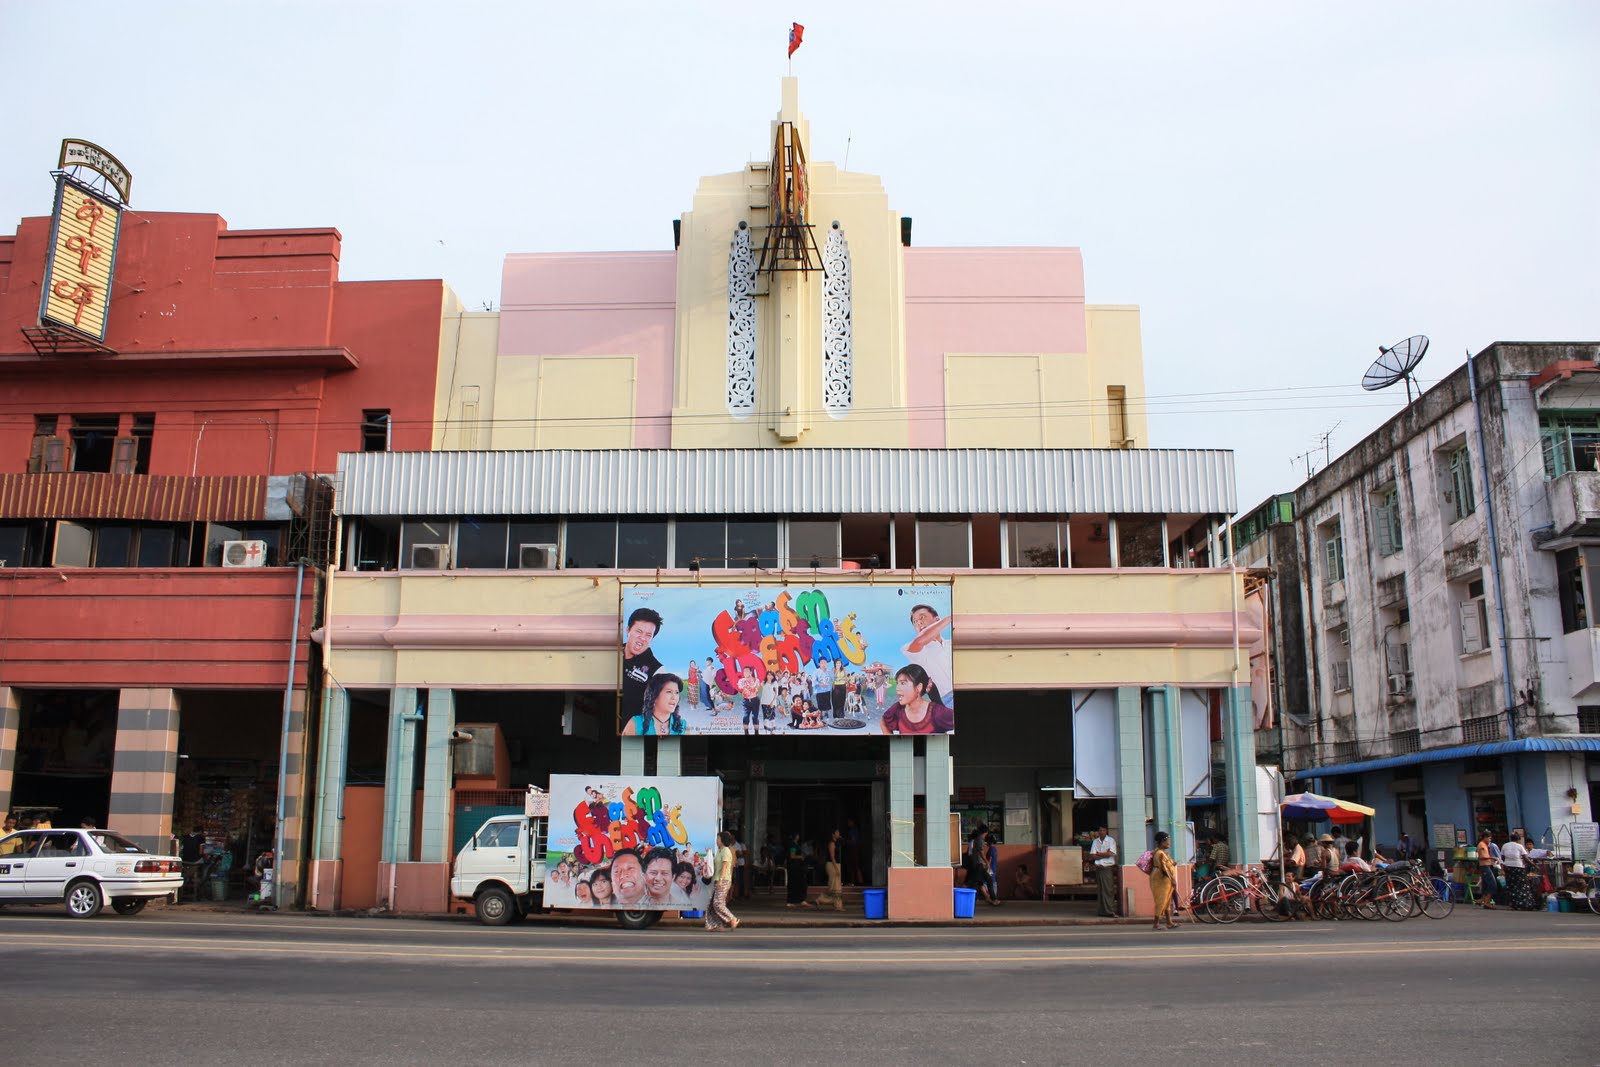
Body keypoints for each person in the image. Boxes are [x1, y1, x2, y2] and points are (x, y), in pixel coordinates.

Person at [901, 604, 954, 707]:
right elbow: (920, 640)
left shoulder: (951, 644)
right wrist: (949, 619)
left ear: (937, 620)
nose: (918, 623)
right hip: (947, 701)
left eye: (922, 617)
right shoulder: (913, 648)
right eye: (915, 622)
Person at [880, 663, 955, 734]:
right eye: (897, 683)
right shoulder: (897, 709)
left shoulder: (937, 712)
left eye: (903, 683)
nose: (897, 688)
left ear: (919, 687)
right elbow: (884, 721)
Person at [620, 607, 664, 718]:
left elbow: (658, 709)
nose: (642, 638)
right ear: (628, 630)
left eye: (648, 635)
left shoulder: (657, 670)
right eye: (638, 631)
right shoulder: (612, 653)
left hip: (634, 727)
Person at [622, 673, 687, 736]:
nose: (674, 697)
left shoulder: (683, 725)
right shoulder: (636, 723)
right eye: (669, 692)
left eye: (677, 692)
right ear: (654, 696)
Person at [704, 830, 739, 931]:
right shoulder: (719, 851)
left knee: (718, 903)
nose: (717, 840)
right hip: (717, 879)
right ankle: (717, 925)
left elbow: (725, 866)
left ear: (723, 840)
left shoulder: (726, 851)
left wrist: (721, 879)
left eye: (718, 839)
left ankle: (732, 918)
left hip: (723, 880)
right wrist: (708, 853)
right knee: (713, 904)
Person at [1148, 831, 1178, 930]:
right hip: (1160, 879)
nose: (1169, 842)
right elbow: (1164, 869)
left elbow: (1167, 865)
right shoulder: (1160, 853)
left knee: (1167, 900)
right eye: (1167, 841)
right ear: (1162, 842)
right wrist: (1172, 879)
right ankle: (1156, 924)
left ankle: (1169, 922)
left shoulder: (1163, 852)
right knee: (1161, 900)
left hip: (1165, 880)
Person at [1500, 829, 1536, 910]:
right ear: (1518, 839)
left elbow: (1502, 858)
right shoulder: (1519, 846)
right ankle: (1524, 903)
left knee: (1511, 885)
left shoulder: (1505, 845)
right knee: (1522, 886)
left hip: (1508, 868)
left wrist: (1502, 868)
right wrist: (1534, 865)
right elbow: (1526, 858)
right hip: (1518, 868)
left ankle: (1514, 904)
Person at [1088, 824, 1118, 917]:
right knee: (1101, 890)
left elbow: (1111, 853)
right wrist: (1105, 854)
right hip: (1099, 867)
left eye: (1103, 830)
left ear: (1106, 831)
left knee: (1108, 890)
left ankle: (1110, 910)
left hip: (1107, 867)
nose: (1101, 832)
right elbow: (1092, 855)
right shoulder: (1095, 841)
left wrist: (1099, 853)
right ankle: (1102, 911)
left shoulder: (1111, 840)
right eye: (1100, 830)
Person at [816, 829, 845, 912]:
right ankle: (820, 899)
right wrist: (836, 868)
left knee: (837, 887)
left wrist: (841, 838)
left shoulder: (837, 843)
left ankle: (838, 905)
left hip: (837, 864)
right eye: (837, 832)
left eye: (839, 832)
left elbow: (844, 843)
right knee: (833, 887)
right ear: (833, 834)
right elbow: (832, 857)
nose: (838, 833)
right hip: (832, 865)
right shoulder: (831, 843)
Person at [1476, 829, 1499, 909]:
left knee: (1485, 884)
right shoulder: (1482, 845)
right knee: (1492, 883)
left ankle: (1483, 899)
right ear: (1485, 837)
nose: (1490, 840)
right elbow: (1482, 857)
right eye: (1489, 838)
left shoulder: (1485, 845)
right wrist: (1493, 858)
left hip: (1487, 865)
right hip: (1485, 866)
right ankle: (1487, 901)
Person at [737, 665, 762, 736]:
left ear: (751, 672)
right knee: (745, 717)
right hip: (746, 701)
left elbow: (757, 688)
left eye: (747, 671)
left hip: (755, 701)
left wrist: (754, 686)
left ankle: (756, 733)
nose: (745, 673)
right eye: (744, 671)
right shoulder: (741, 680)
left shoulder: (756, 680)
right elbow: (741, 688)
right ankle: (746, 732)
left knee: (755, 717)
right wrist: (749, 686)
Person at [784, 833, 809, 906]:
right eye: (798, 835)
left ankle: (800, 900)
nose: (798, 836)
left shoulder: (795, 844)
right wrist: (800, 857)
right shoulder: (792, 844)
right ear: (796, 836)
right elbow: (792, 856)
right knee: (794, 883)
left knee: (800, 883)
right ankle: (791, 901)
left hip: (797, 866)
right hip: (794, 867)